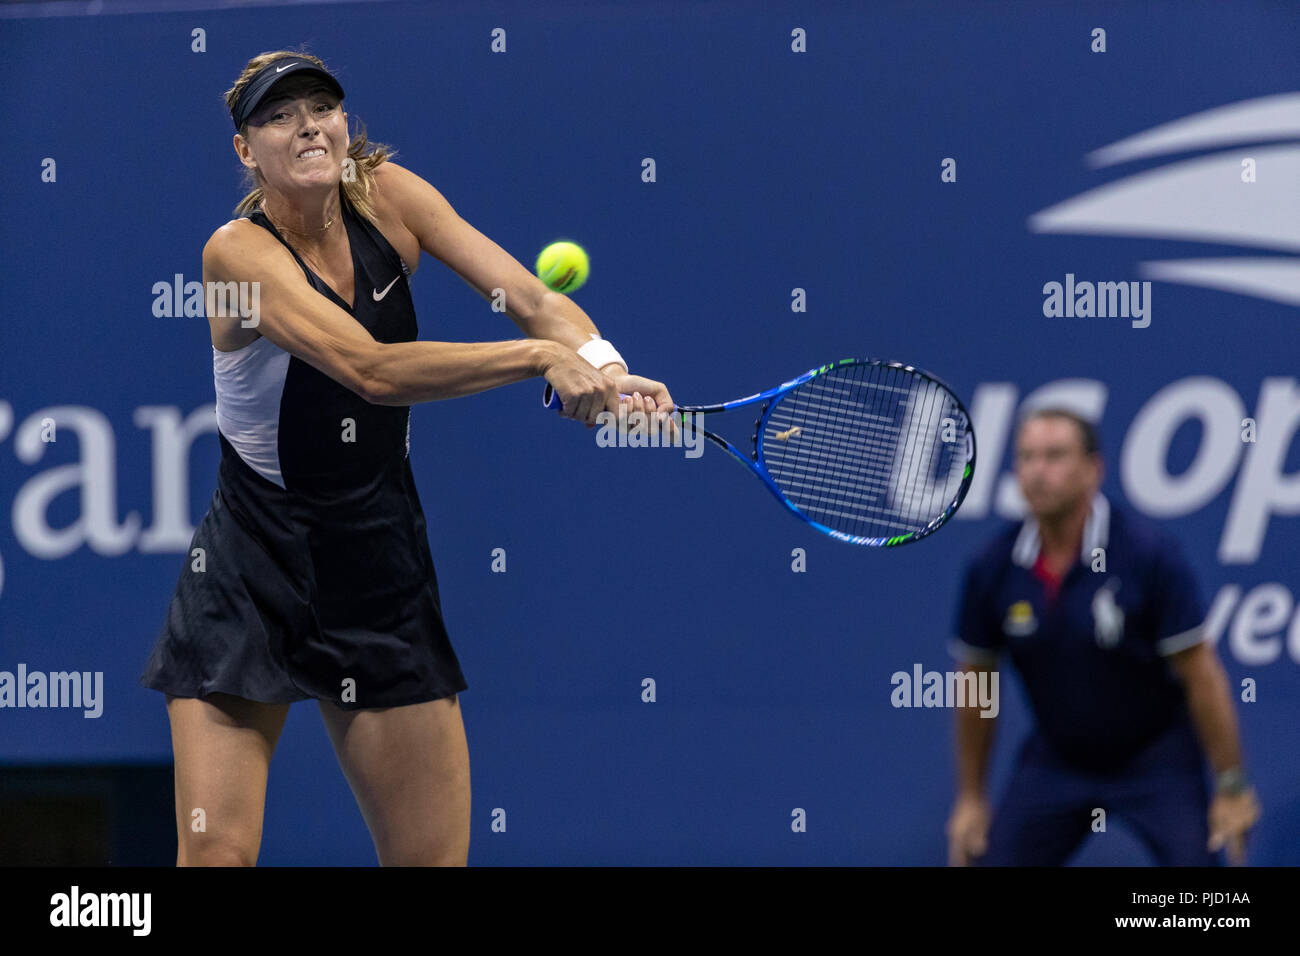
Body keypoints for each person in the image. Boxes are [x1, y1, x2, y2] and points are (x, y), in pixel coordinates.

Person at [140, 49, 676, 866]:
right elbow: (370, 371)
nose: (306, 127)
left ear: (343, 124)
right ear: (246, 150)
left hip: (377, 560)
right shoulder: (234, 256)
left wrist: (601, 365)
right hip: (251, 567)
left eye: (320, 108)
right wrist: (539, 360)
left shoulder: (390, 196)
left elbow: (532, 297)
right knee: (218, 856)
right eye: (279, 117)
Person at [944, 408, 1261, 866]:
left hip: (1157, 759)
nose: (1038, 471)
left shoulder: (1148, 554)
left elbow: (1201, 675)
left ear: (1093, 469)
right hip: (1057, 760)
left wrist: (1231, 786)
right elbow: (977, 680)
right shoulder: (992, 567)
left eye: (1055, 456)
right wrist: (971, 798)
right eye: (1027, 457)